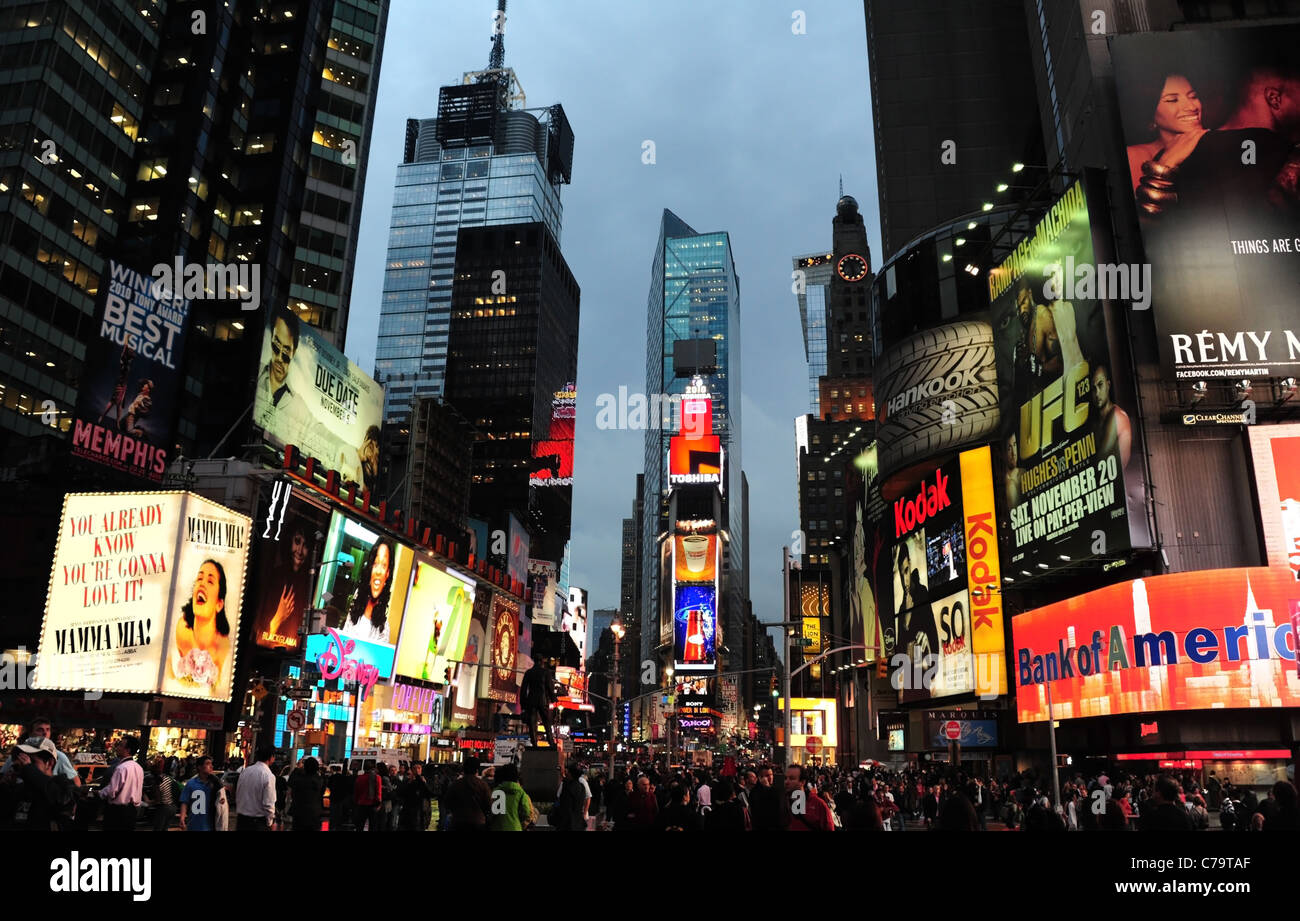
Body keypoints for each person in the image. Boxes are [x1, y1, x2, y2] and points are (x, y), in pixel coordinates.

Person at [169, 559, 232, 695]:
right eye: (199, 578)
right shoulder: (181, 628)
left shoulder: (224, 646)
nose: (202, 584)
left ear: (219, 604)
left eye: (210, 581)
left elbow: (218, 691)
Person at [254, 309, 314, 446]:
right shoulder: (255, 376)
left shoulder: (299, 408)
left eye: (286, 352)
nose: (279, 358)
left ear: (294, 352)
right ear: (270, 340)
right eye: (276, 347)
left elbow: (319, 430)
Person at [254, 522, 312, 647]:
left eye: (305, 545)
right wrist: (278, 618)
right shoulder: (274, 576)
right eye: (297, 542)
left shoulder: (309, 585)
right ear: (289, 540)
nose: (300, 551)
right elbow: (260, 639)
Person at [3, 737, 77, 831]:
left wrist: (30, 771)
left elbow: (62, 801)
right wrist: (5, 788)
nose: (25, 764)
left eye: (32, 761)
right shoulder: (22, 789)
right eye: (22, 760)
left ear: (49, 763)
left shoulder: (64, 786)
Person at [342, 539, 395, 644]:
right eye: (375, 564)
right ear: (370, 568)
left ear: (387, 573)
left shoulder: (384, 629)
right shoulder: (356, 602)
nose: (379, 571)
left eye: (383, 566)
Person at [0, 717, 78, 785]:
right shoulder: (18, 754)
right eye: (40, 730)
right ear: (30, 733)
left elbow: (76, 784)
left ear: (50, 763)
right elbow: (4, 777)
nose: (45, 733)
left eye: (48, 730)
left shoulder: (58, 756)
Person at [1091, 365, 1132, 469]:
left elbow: (1100, 459)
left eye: (1100, 385)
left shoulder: (1116, 415)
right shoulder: (1095, 422)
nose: (1097, 393)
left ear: (1108, 385)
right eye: (1093, 388)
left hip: (1124, 481)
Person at [99, 736, 144, 830]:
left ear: (127, 750)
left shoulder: (121, 768)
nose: (117, 747)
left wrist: (99, 793)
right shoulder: (138, 768)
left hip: (117, 812)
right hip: (132, 812)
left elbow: (112, 791)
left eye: (120, 745)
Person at [235, 746, 277, 831]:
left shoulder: (246, 771)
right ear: (271, 757)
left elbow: (238, 792)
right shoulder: (268, 775)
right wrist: (270, 822)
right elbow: (268, 802)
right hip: (258, 822)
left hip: (241, 820)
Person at [785, 765, 834, 832]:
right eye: (785, 778)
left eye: (792, 778)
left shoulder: (818, 804)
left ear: (802, 782)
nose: (786, 782)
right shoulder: (781, 802)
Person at [443, 762, 491, 831]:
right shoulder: (482, 784)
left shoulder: (456, 784)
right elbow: (488, 804)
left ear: (464, 770)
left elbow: (447, 802)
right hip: (478, 821)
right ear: (477, 770)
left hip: (459, 821)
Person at [519, 660, 557, 747]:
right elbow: (550, 687)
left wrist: (523, 703)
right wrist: (553, 699)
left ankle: (534, 743)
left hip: (531, 700)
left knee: (532, 722)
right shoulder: (545, 672)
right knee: (546, 721)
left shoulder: (529, 672)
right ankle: (550, 742)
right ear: (541, 663)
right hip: (542, 700)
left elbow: (523, 689)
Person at [97, 343, 136, 426]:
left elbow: (129, 354)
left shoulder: (128, 362)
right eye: (131, 354)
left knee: (119, 404)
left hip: (124, 385)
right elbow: (124, 350)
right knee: (113, 402)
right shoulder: (123, 361)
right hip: (120, 384)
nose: (132, 357)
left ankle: (117, 421)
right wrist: (127, 338)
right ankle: (102, 417)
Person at [488, 764, 534, 831]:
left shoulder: (496, 791)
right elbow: (527, 813)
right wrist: (520, 825)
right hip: (515, 827)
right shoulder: (521, 792)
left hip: (497, 827)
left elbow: (492, 813)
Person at [179, 757, 220, 832]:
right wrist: (182, 818)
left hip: (210, 825)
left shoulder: (216, 784)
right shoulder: (191, 783)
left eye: (211, 764)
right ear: (200, 767)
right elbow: (185, 802)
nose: (211, 766)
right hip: (194, 824)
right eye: (207, 763)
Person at [551, 762, 590, 832]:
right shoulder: (581, 786)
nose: (566, 773)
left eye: (567, 771)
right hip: (578, 822)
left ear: (570, 774)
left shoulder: (567, 786)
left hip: (567, 823)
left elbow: (564, 805)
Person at [288, 757, 324, 831]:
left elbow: (290, 782)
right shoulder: (319, 780)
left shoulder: (300, 780)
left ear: (305, 767)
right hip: (314, 814)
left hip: (299, 814)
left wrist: (298, 768)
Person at [146, 757, 179, 831]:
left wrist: (148, 801)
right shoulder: (168, 778)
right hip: (173, 808)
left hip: (164, 808)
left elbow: (158, 800)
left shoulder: (156, 781)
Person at [399, 762, 433, 831]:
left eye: (419, 768)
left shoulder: (425, 780)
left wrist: (425, 783)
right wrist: (410, 782)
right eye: (415, 768)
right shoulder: (408, 781)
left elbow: (430, 793)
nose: (417, 770)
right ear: (411, 770)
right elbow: (402, 793)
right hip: (409, 812)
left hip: (421, 811)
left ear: (421, 769)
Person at [749, 764, 783, 831]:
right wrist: (766, 788)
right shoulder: (755, 791)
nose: (770, 777)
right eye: (767, 775)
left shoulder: (774, 788)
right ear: (760, 777)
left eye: (771, 774)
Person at [353, 761, 382, 831]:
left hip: (361, 804)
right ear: (373, 769)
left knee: (360, 825)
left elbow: (356, 792)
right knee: (373, 825)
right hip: (373, 804)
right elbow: (378, 792)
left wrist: (356, 802)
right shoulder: (377, 777)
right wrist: (379, 803)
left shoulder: (359, 778)